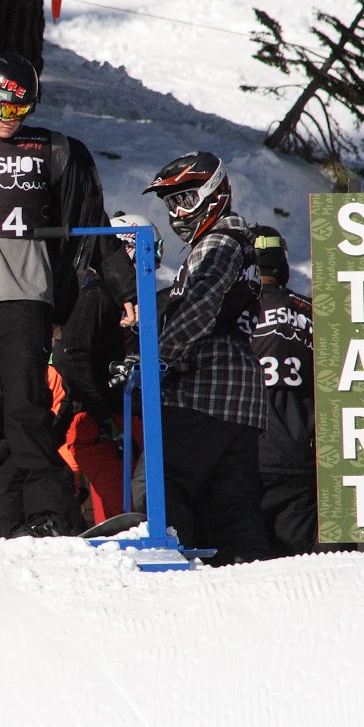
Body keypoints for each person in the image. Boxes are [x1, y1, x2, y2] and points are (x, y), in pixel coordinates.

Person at [0, 51, 134, 540]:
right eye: (2, 108)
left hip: (24, 305)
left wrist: (125, 286)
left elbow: (93, 225)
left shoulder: (54, 150)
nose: (9, 120)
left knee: (26, 415)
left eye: (21, 111)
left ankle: (46, 516)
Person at [143, 151, 270, 564]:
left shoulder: (217, 243)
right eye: (171, 203)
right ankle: (242, 585)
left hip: (201, 389)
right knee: (233, 511)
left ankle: (167, 565)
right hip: (241, 397)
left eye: (186, 199)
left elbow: (200, 304)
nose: (178, 213)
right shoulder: (242, 244)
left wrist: (157, 360)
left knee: (158, 483)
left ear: (215, 193)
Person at [52, 210, 157, 524]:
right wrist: (100, 410)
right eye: (151, 250)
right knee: (121, 517)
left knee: (131, 510)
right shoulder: (100, 294)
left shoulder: (133, 298)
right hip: (99, 422)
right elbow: (71, 354)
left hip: (119, 417)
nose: (155, 263)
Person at [247, 225, 317, 556]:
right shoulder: (314, 311)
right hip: (301, 454)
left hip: (245, 456)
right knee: (299, 566)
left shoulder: (231, 312)